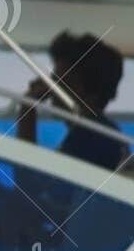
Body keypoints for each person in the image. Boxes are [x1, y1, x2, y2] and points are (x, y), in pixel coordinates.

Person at [17, 31, 127, 171]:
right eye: (53, 79)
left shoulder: (94, 137)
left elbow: (29, 189)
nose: (51, 86)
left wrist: (27, 110)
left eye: (61, 81)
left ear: (91, 92)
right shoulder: (96, 133)